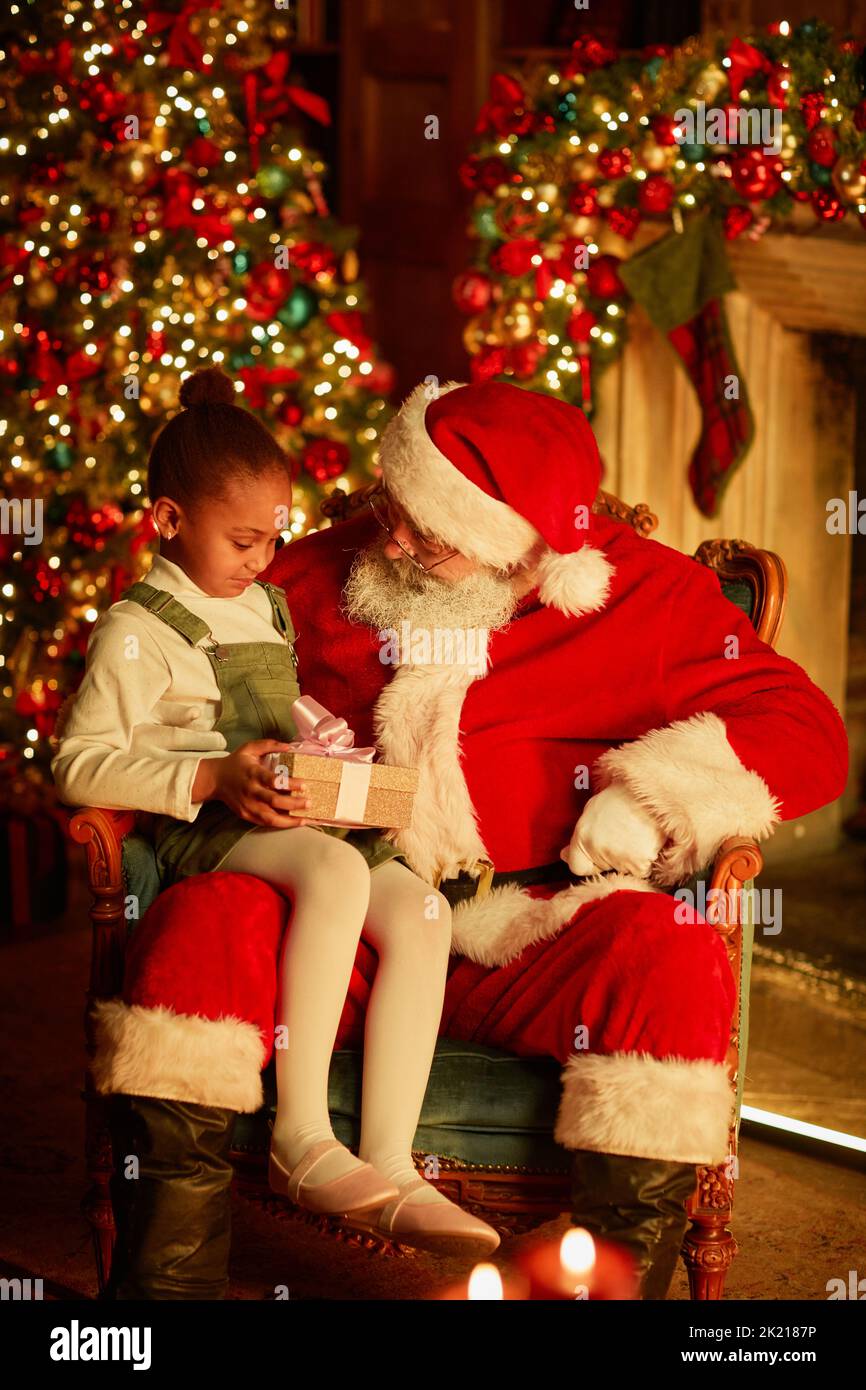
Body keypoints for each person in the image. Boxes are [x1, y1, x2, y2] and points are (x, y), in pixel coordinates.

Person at [81, 378, 849, 1300]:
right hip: (348, 922)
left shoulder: (647, 598)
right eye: (391, 509)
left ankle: (611, 1287)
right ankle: (164, 1302)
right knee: (205, 921)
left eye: (429, 533)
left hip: (530, 926)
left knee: (673, 959)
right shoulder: (312, 571)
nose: (392, 540)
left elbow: (809, 732)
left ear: (515, 540)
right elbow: (175, 673)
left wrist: (655, 798)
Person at [52, 369, 501, 1296]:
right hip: (206, 828)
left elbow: (271, 705)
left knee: (418, 909)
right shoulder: (137, 629)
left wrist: (322, 747)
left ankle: (387, 1155)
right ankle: (303, 1135)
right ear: (170, 520)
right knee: (333, 877)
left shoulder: (260, 604)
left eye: (274, 538)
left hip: (290, 808)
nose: (263, 559)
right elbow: (78, 763)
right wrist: (208, 773)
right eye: (244, 539)